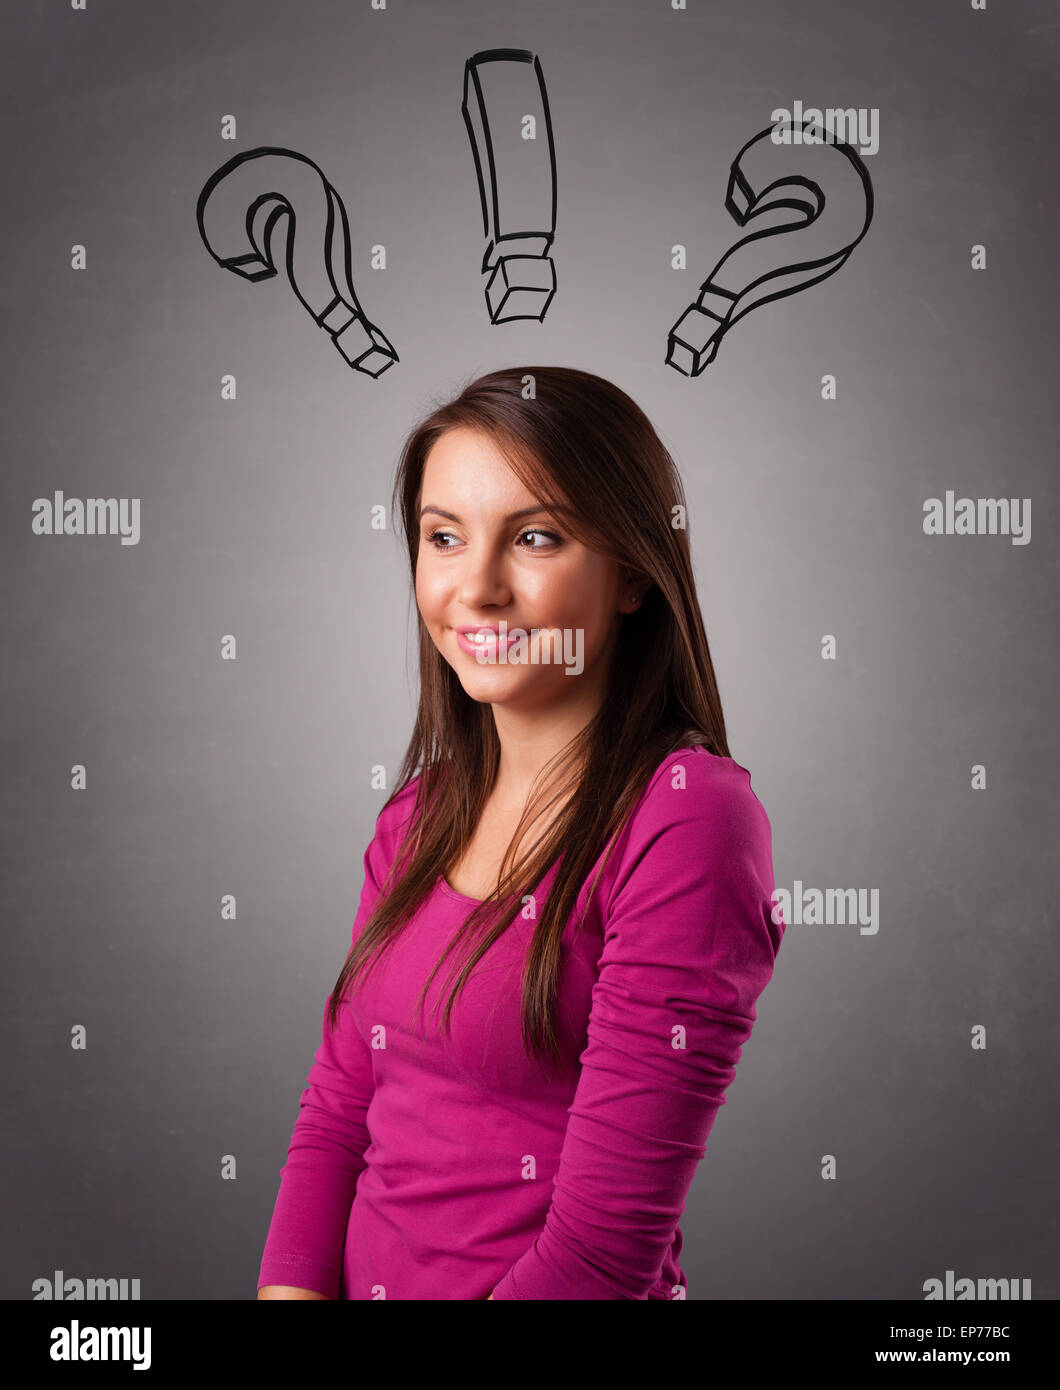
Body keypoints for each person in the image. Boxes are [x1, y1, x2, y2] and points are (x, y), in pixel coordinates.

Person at [256, 365, 785, 1300]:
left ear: (631, 574)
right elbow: (338, 1115)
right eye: (443, 538)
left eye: (535, 537)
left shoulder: (689, 819)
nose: (477, 587)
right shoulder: (418, 814)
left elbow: (600, 1256)